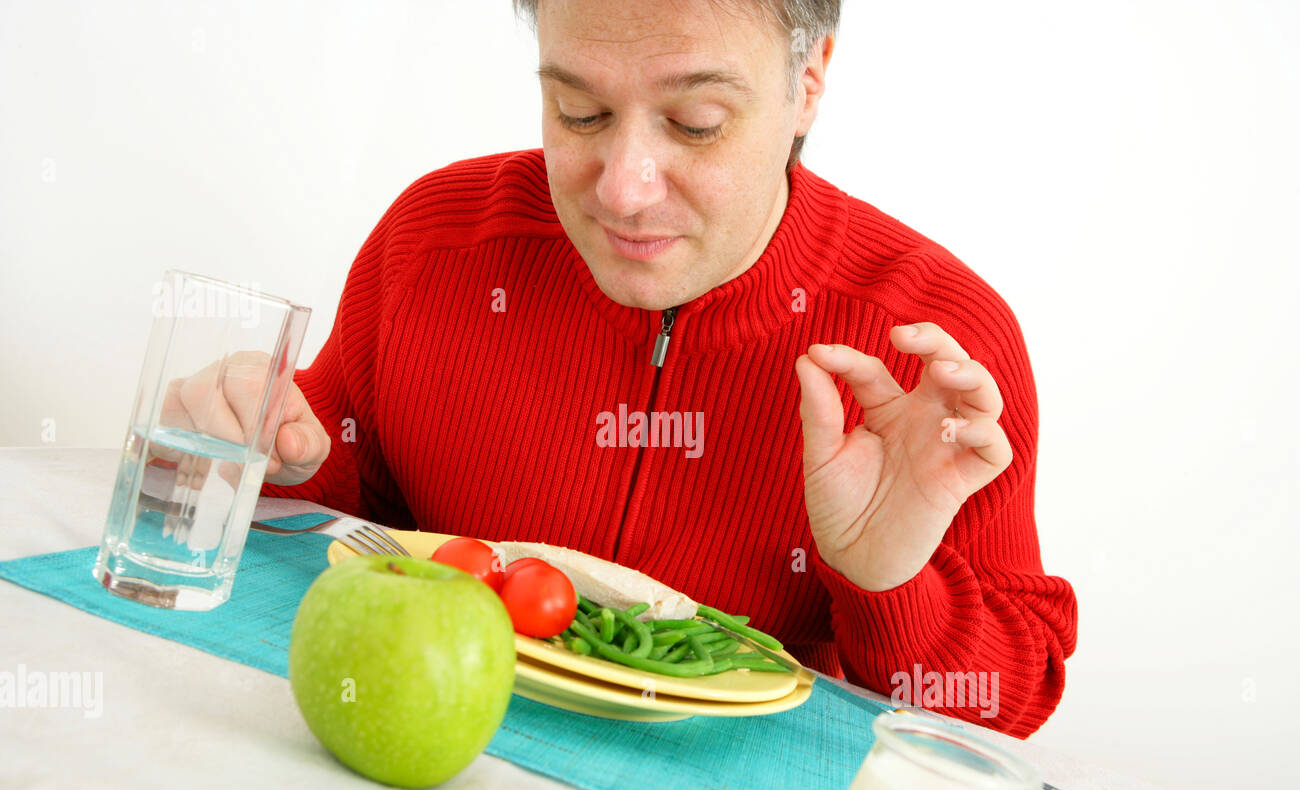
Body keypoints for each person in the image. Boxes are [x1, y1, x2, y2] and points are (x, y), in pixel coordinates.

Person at [260, 0, 1078, 738]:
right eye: (579, 112)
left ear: (809, 81)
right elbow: (329, 512)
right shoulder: (434, 241)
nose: (623, 190)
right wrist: (260, 452)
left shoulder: (935, 345)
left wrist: (890, 579)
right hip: (418, 762)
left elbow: (997, 717)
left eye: (695, 121)